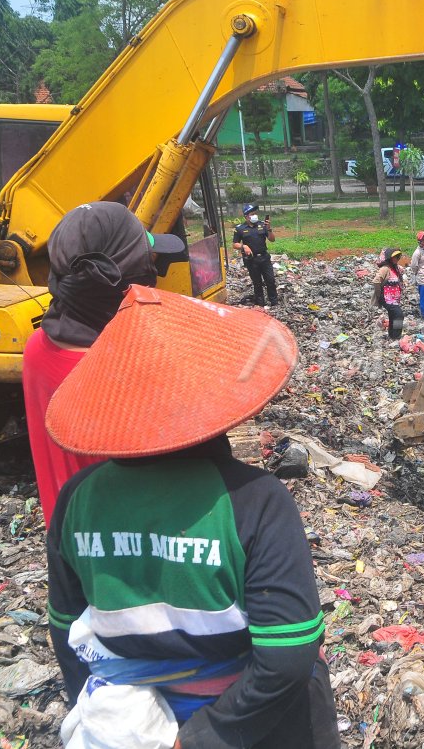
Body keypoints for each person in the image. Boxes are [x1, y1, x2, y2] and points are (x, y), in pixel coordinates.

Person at [45, 285, 338, 748]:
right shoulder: (256, 500)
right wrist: (202, 736)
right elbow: (287, 656)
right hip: (247, 724)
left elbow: (66, 631)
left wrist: (106, 717)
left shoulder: (76, 498)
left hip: (129, 725)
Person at [23, 201, 185, 527]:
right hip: (134, 561)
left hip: (72, 549)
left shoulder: (35, 350)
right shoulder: (134, 366)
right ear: (128, 282)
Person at [233, 204, 278, 307]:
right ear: (246, 216)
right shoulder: (240, 228)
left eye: (255, 213)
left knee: (270, 280)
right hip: (251, 260)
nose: (255, 216)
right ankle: (260, 304)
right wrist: (243, 246)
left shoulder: (262, 225)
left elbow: (272, 239)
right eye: (252, 214)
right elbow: (234, 244)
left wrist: (269, 229)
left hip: (264, 257)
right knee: (257, 283)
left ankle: (274, 302)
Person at [372, 248, 405, 339]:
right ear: (389, 258)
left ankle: (391, 335)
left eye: (398, 256)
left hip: (394, 298)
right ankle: (396, 336)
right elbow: (376, 281)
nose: (397, 258)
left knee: (393, 315)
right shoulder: (385, 268)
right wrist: (380, 296)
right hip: (387, 298)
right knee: (399, 315)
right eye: (395, 257)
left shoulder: (395, 268)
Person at [406, 230, 424, 320]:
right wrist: (420, 272)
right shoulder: (417, 253)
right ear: (419, 242)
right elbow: (414, 266)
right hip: (423, 278)